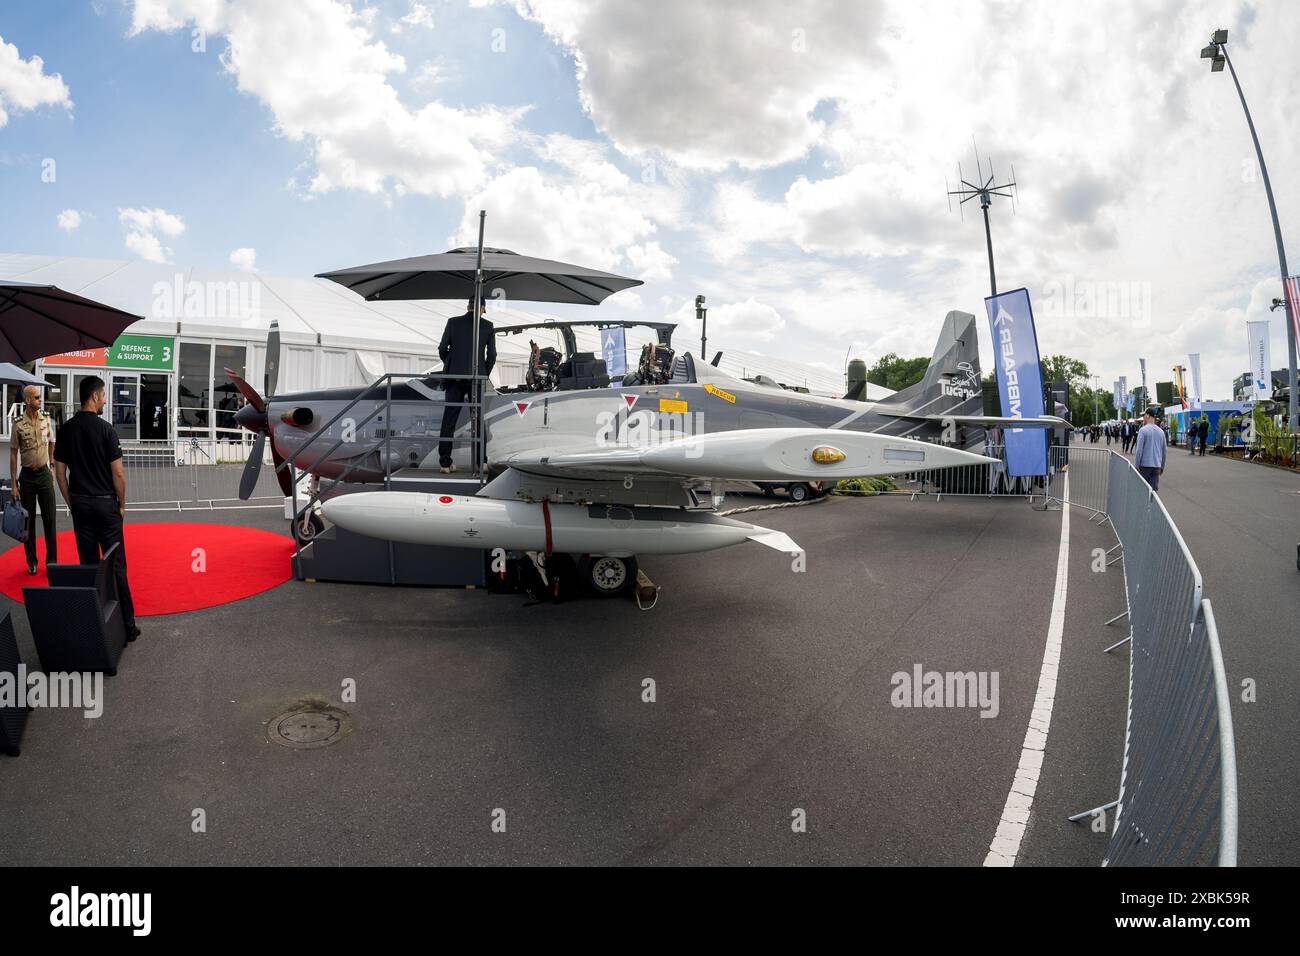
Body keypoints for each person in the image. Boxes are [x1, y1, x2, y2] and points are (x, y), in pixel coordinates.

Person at [52, 375, 139, 641]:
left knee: (89, 567)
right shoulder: (106, 430)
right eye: (103, 395)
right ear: (94, 397)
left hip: (81, 505)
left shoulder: (66, 429)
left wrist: (71, 502)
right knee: (116, 567)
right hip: (105, 507)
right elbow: (119, 474)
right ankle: (128, 626)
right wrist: (122, 505)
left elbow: (59, 473)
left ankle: (96, 626)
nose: (104, 400)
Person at [437, 297, 497, 474]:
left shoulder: (453, 322)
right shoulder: (487, 326)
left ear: (468, 306)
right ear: (483, 309)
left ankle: (445, 463)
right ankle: (481, 462)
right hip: (476, 379)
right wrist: (484, 373)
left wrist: (451, 363)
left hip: (453, 378)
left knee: (449, 420)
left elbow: (442, 348)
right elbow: (492, 355)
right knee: (478, 420)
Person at [8, 384, 58, 575]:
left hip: (44, 475)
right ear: (27, 400)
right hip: (27, 477)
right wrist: (14, 484)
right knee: (28, 522)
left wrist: (51, 461)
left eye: (40, 397)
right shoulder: (18, 423)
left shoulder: (46, 419)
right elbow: (13, 454)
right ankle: (32, 561)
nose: (40, 400)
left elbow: (52, 441)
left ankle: (52, 561)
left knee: (50, 519)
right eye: (37, 397)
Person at [1134, 408, 1167, 491]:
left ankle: (1142, 504)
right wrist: (1162, 466)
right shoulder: (1161, 432)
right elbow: (1164, 451)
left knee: (1142, 490)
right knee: (1153, 492)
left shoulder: (1143, 430)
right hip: (1156, 465)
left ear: (1148, 415)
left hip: (1144, 466)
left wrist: (1137, 465)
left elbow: (1139, 450)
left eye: (1144, 416)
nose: (1144, 418)